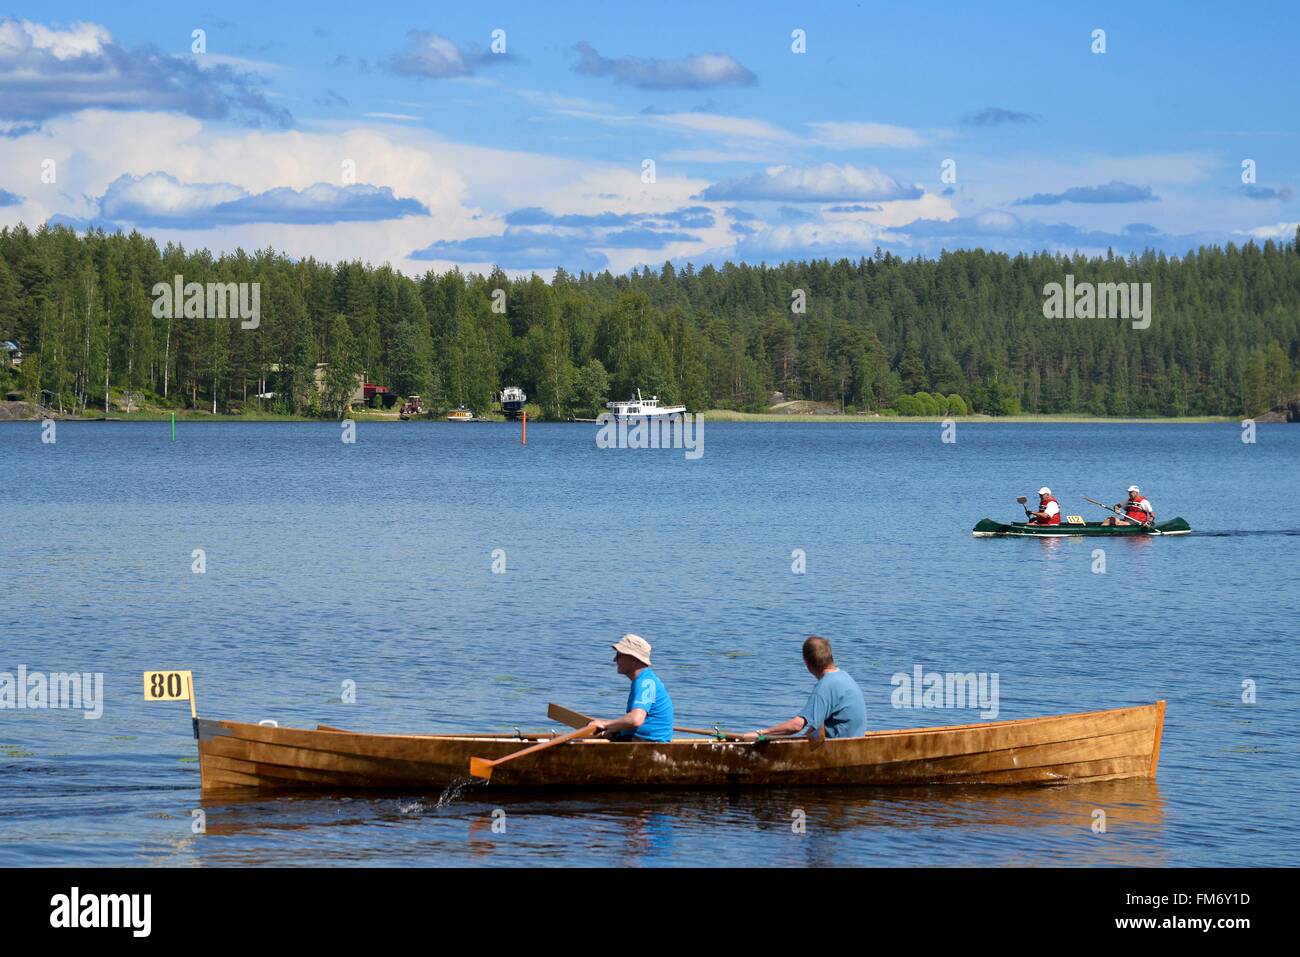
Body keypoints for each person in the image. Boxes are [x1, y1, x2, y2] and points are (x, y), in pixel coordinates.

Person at [740, 636, 867, 742]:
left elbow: (797, 725)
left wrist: (760, 733)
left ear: (807, 663)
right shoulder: (844, 676)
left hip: (840, 749)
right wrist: (804, 738)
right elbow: (819, 723)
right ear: (830, 657)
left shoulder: (825, 686)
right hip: (855, 743)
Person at [591, 634, 674, 742]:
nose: (615, 659)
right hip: (642, 740)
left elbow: (635, 719)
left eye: (619, 654)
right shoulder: (646, 679)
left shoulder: (645, 682)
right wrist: (612, 729)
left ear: (633, 658)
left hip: (648, 744)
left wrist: (605, 724)